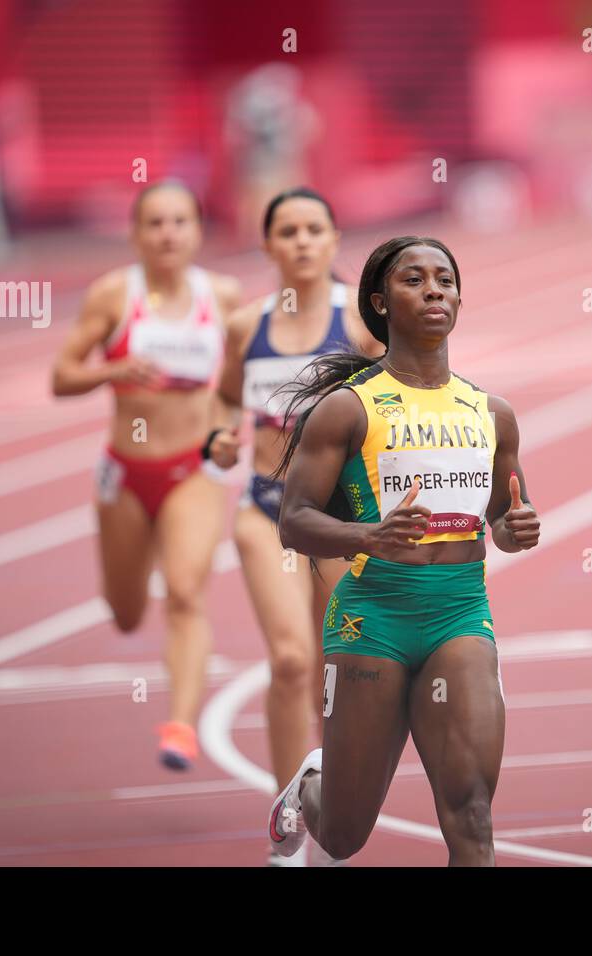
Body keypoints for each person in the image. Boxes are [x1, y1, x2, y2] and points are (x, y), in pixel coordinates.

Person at [262, 236, 541, 866]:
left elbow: (501, 514)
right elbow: (294, 522)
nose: (434, 290)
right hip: (373, 621)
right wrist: (369, 535)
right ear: (380, 303)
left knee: (470, 812)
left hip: (460, 617)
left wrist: (513, 528)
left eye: (444, 280)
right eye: (414, 280)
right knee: (343, 834)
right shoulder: (346, 409)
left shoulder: (491, 413)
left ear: (460, 298)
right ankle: (311, 785)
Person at [205, 186, 382, 865]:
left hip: (339, 520)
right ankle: (288, 833)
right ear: (269, 245)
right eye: (289, 231)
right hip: (267, 511)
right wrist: (220, 440)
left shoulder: (362, 327)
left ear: (335, 241)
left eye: (315, 230)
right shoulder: (245, 326)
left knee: (336, 668)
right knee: (290, 659)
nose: (303, 242)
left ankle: (324, 793)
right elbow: (224, 401)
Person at [51, 180, 242, 770]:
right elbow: (60, 377)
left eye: (180, 221)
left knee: (185, 592)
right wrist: (112, 371)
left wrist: (228, 433)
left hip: (193, 468)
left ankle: (179, 726)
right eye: (155, 223)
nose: (168, 234)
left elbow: (240, 383)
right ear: (134, 234)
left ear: (198, 230)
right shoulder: (115, 295)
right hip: (126, 473)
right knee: (128, 610)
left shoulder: (225, 296)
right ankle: (132, 596)